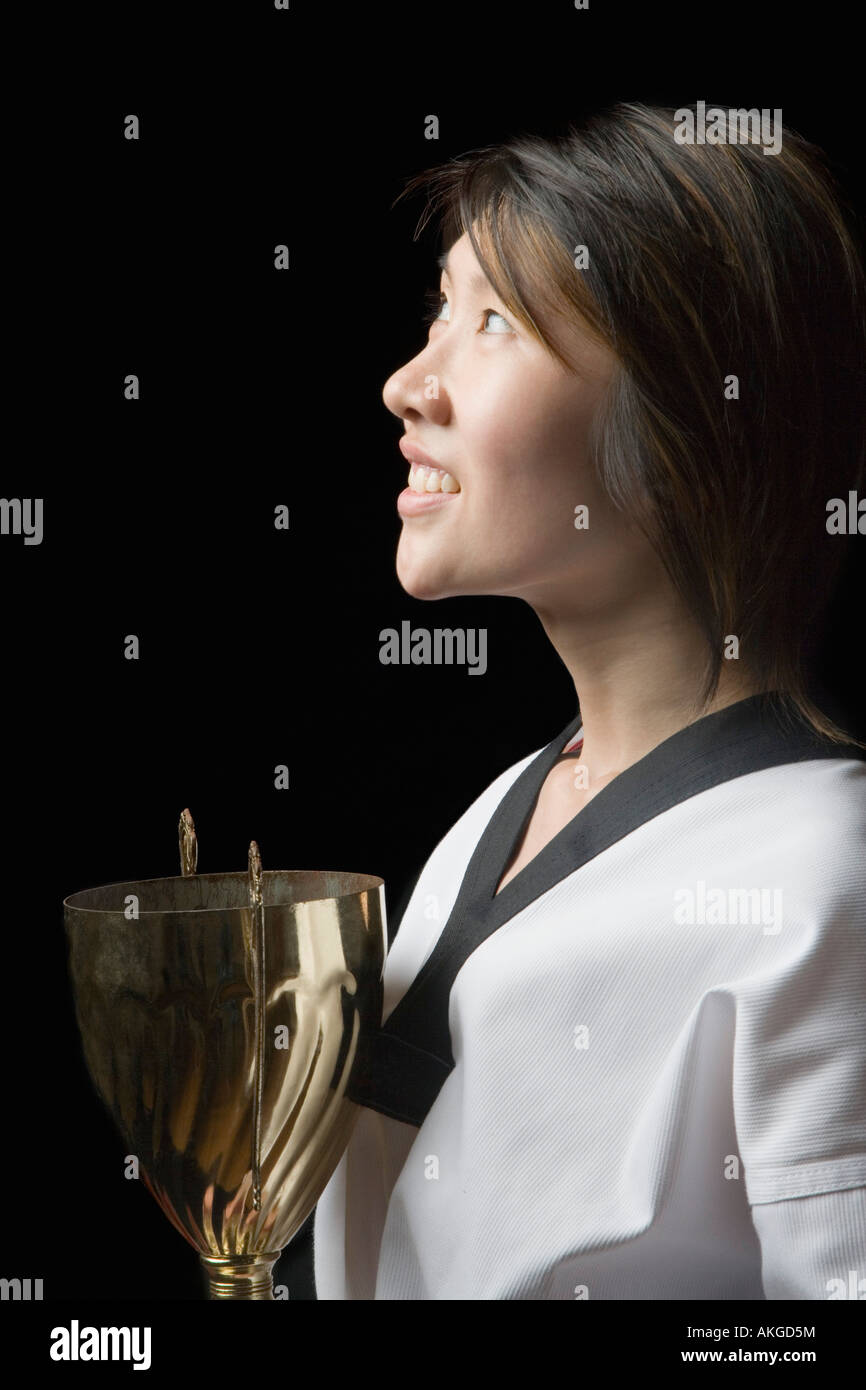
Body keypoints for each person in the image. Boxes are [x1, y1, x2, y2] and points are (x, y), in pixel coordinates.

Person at [313, 102, 866, 1299]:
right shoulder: (499, 810)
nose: (409, 383)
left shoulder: (827, 871)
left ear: (686, 424)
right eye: (437, 313)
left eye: (495, 322)